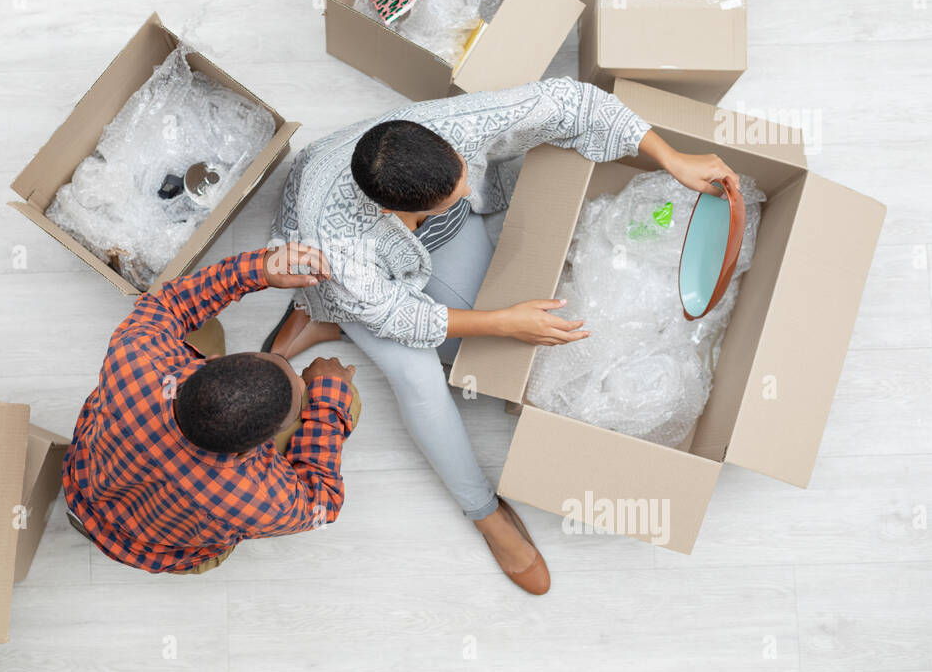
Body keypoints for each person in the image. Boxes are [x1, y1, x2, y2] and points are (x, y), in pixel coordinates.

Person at [267, 77, 737, 594]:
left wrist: (671, 157)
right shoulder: (336, 244)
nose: (467, 189)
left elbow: (573, 101)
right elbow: (402, 318)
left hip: (419, 248)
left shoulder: (447, 129)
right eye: (452, 196)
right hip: (353, 279)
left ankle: (327, 318)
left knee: (521, 266)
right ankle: (483, 512)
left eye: (462, 175)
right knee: (422, 375)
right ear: (392, 213)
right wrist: (505, 321)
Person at [64, 243, 360, 575]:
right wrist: (330, 393)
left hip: (87, 487)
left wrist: (258, 268)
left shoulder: (134, 359)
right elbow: (322, 505)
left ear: (211, 364)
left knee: (205, 327)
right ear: (251, 453)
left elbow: (169, 304)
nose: (303, 380)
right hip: (170, 551)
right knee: (347, 400)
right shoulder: (254, 499)